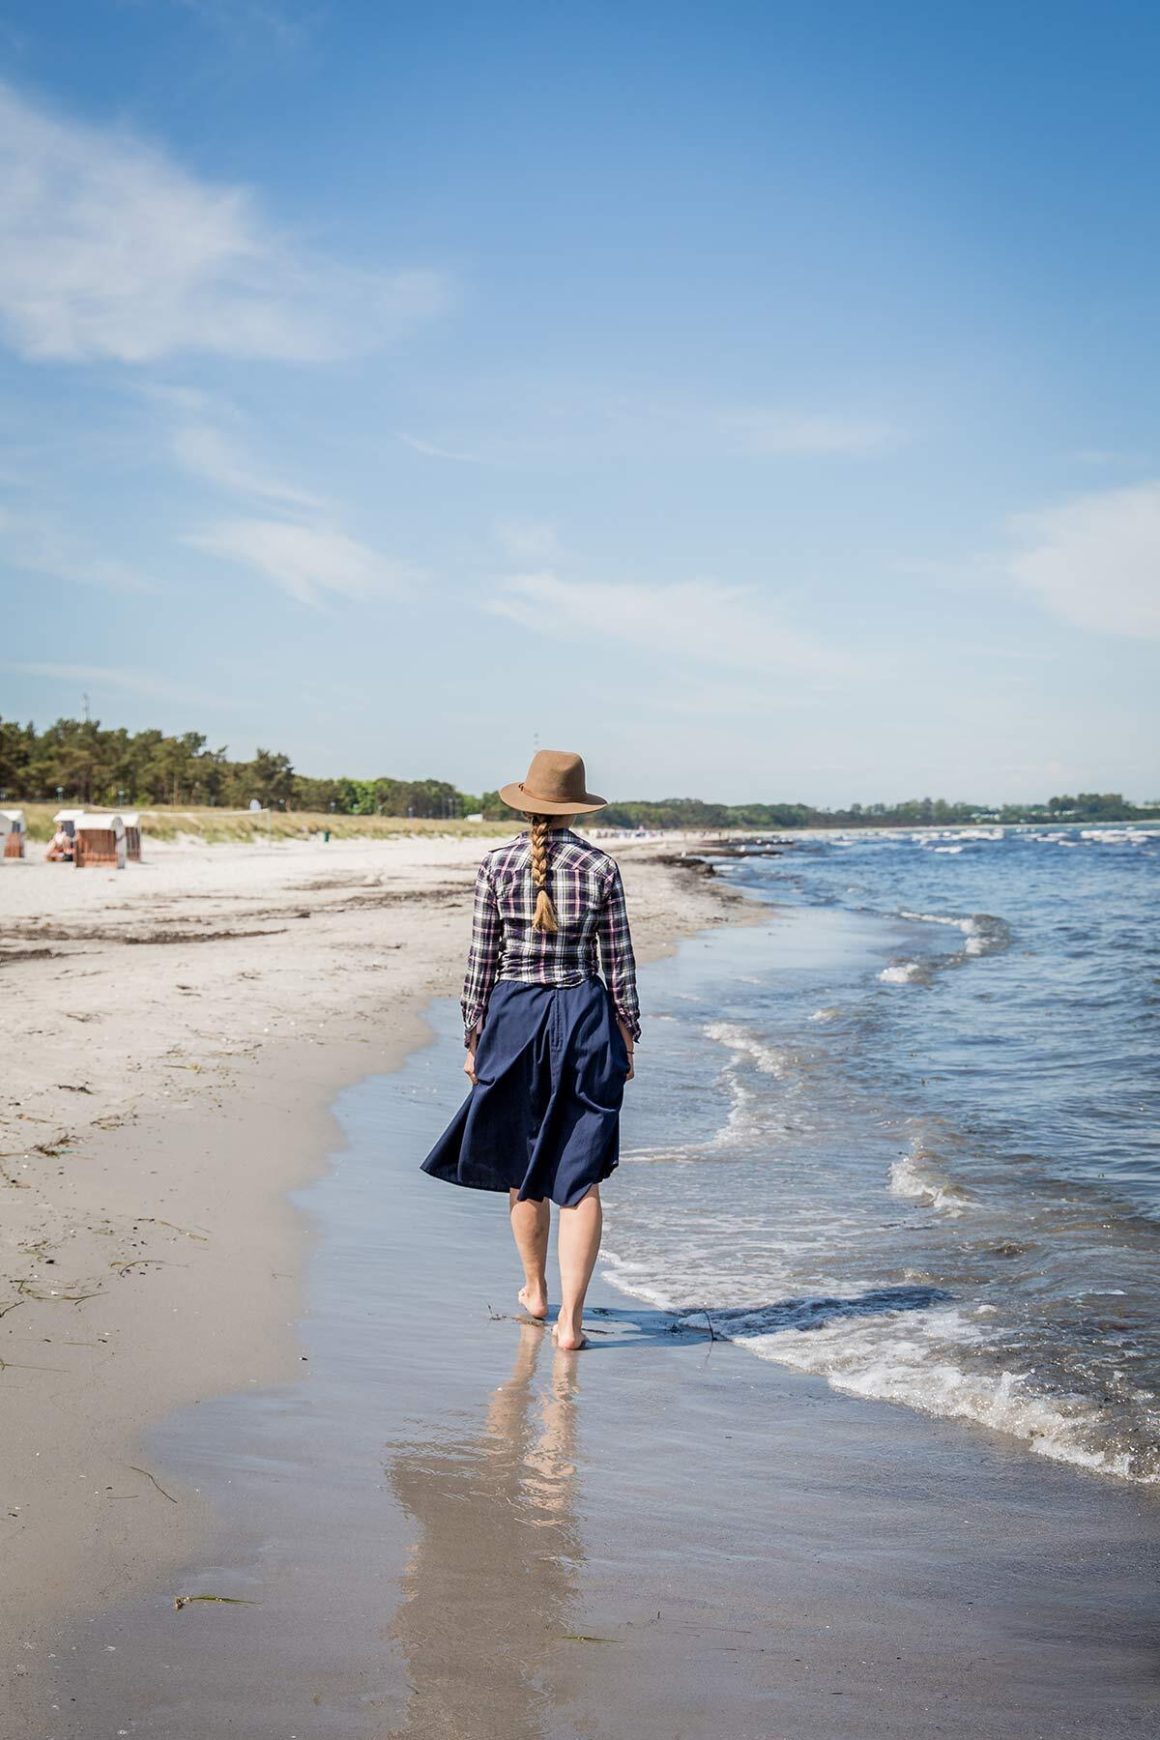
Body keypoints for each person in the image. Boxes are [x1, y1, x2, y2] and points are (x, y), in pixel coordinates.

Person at [421, 749, 640, 1350]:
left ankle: (535, 1291)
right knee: (582, 1175)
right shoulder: (601, 867)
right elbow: (617, 965)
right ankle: (571, 1321)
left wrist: (474, 1037)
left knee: (523, 1168)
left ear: (526, 801)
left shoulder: (496, 863)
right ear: (575, 807)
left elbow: (480, 961)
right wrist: (626, 1035)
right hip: (583, 1016)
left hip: (513, 1016)